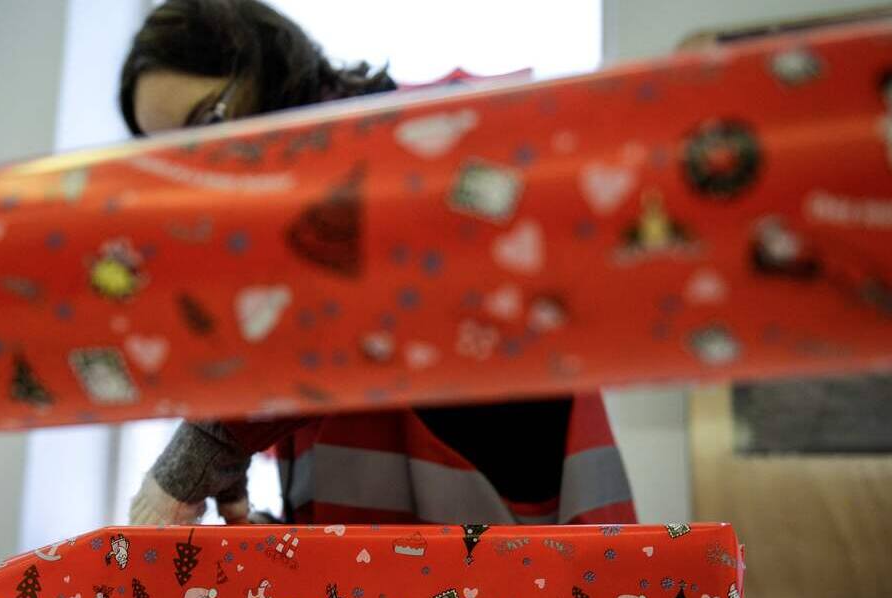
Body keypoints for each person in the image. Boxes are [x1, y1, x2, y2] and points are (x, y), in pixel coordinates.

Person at [121, 0, 636, 527]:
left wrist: (211, 442)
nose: (197, 171)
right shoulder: (272, 251)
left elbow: (345, 311)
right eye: (174, 157)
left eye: (209, 120)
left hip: (520, 561)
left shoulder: (413, 141)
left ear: (267, 65)